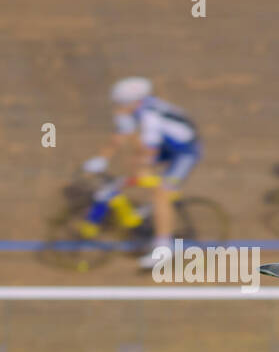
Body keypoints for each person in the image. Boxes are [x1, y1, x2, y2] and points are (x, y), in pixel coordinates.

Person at [83, 77, 202, 269]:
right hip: (167, 145)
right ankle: (150, 212)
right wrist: (101, 159)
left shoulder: (150, 115)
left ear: (134, 101)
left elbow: (150, 150)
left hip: (184, 152)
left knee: (161, 192)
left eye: (121, 104)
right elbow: (120, 136)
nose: (118, 108)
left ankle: (164, 246)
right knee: (138, 169)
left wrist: (142, 169)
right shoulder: (132, 110)